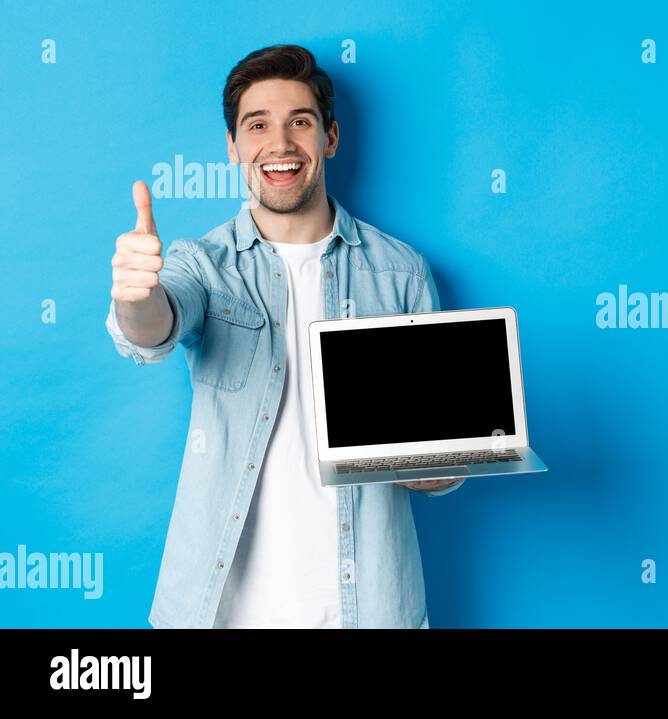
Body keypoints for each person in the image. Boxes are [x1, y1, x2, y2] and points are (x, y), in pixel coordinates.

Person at [106, 44, 460, 628]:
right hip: (222, 612)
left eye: (300, 121)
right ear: (234, 148)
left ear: (331, 138)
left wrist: (437, 464)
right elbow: (154, 328)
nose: (281, 143)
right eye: (257, 125)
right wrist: (136, 296)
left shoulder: (402, 273)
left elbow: (436, 465)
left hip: (368, 609)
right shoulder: (202, 263)